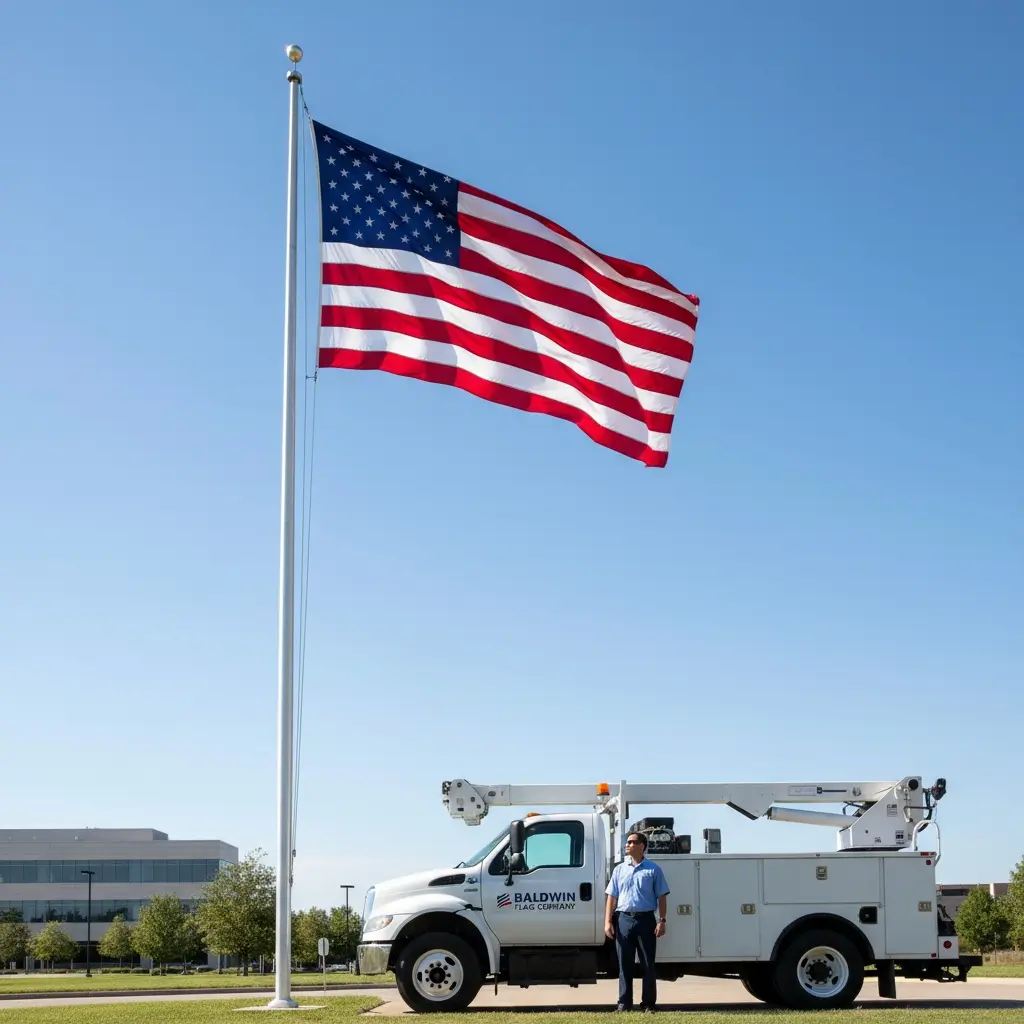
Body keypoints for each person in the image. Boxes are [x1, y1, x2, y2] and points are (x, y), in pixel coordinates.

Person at [604, 831, 670, 1012]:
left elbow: (662, 897)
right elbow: (611, 896)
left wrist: (661, 920)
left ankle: (648, 1003)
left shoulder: (653, 869)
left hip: (646, 920)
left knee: (647, 963)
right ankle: (624, 1004)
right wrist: (608, 922)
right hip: (623, 919)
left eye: (632, 842)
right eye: (627, 842)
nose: (628, 845)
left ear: (642, 846)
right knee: (624, 964)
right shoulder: (619, 870)